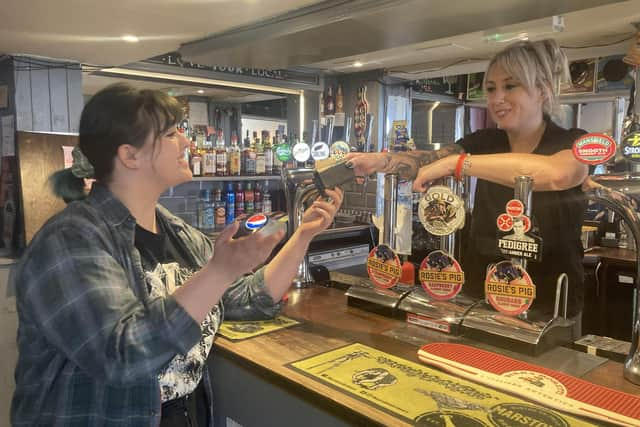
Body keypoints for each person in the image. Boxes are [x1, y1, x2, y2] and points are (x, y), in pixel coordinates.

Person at [11, 83, 343, 426]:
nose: (187, 142)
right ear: (130, 155)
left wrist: (304, 233)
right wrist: (218, 271)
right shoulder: (70, 241)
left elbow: (246, 300)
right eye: (171, 133)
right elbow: (121, 357)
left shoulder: (175, 231)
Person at [346, 39, 588, 327]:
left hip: (550, 301)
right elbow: (428, 159)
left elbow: (557, 174)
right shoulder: (485, 141)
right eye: (490, 89)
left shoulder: (572, 141)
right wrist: (377, 161)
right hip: (483, 291)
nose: (497, 98)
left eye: (510, 86)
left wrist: (458, 164)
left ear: (543, 90)